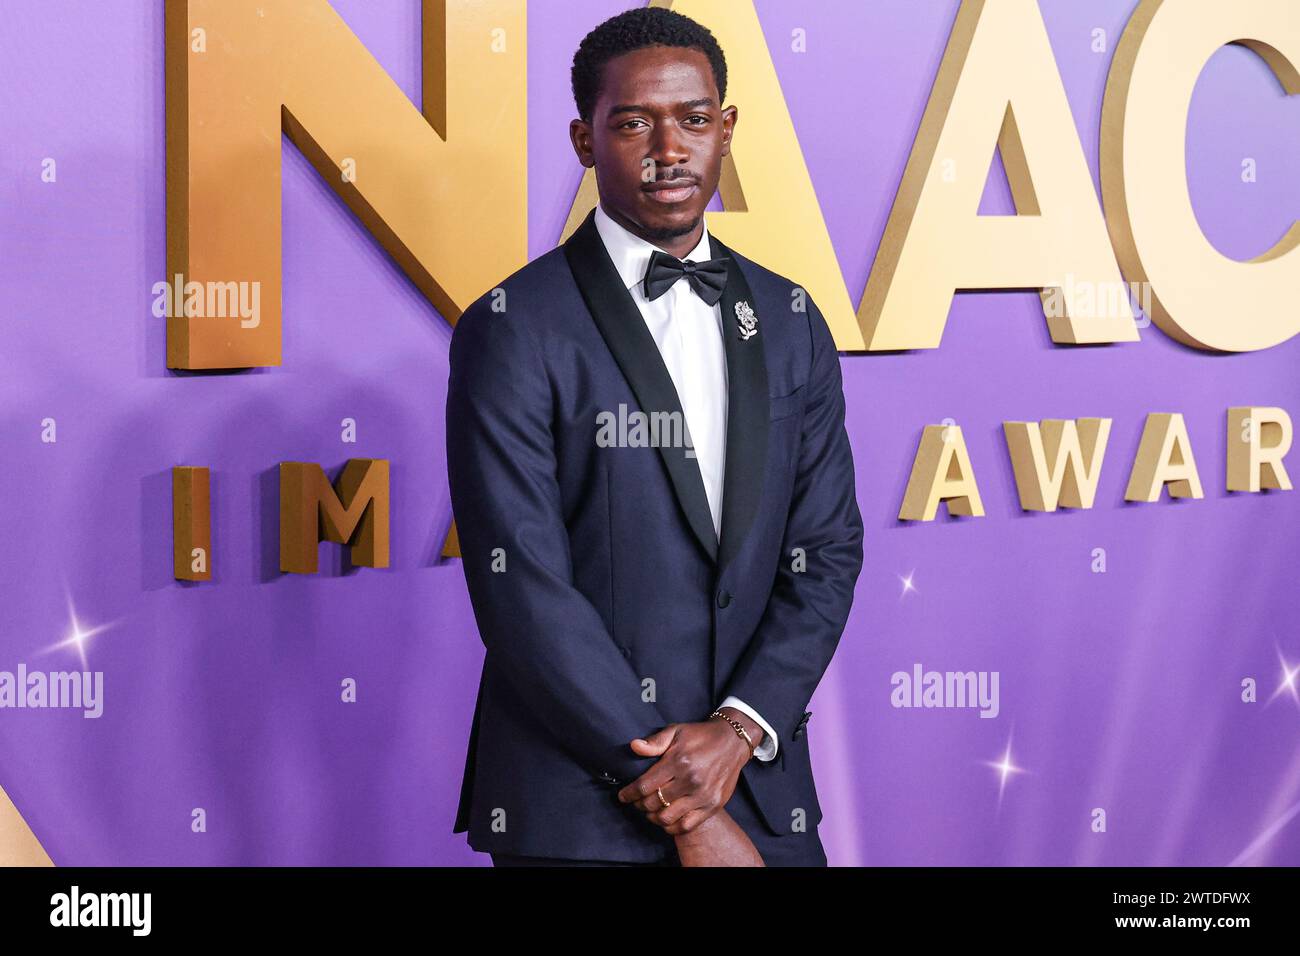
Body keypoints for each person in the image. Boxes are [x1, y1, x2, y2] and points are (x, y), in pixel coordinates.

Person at [446, 6, 863, 867]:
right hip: (581, 807)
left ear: (727, 129)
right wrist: (687, 805)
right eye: (634, 122)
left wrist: (739, 731)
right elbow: (523, 586)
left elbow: (824, 551)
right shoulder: (513, 326)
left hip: (760, 785)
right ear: (583, 139)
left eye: (695, 118)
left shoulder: (789, 318)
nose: (670, 149)